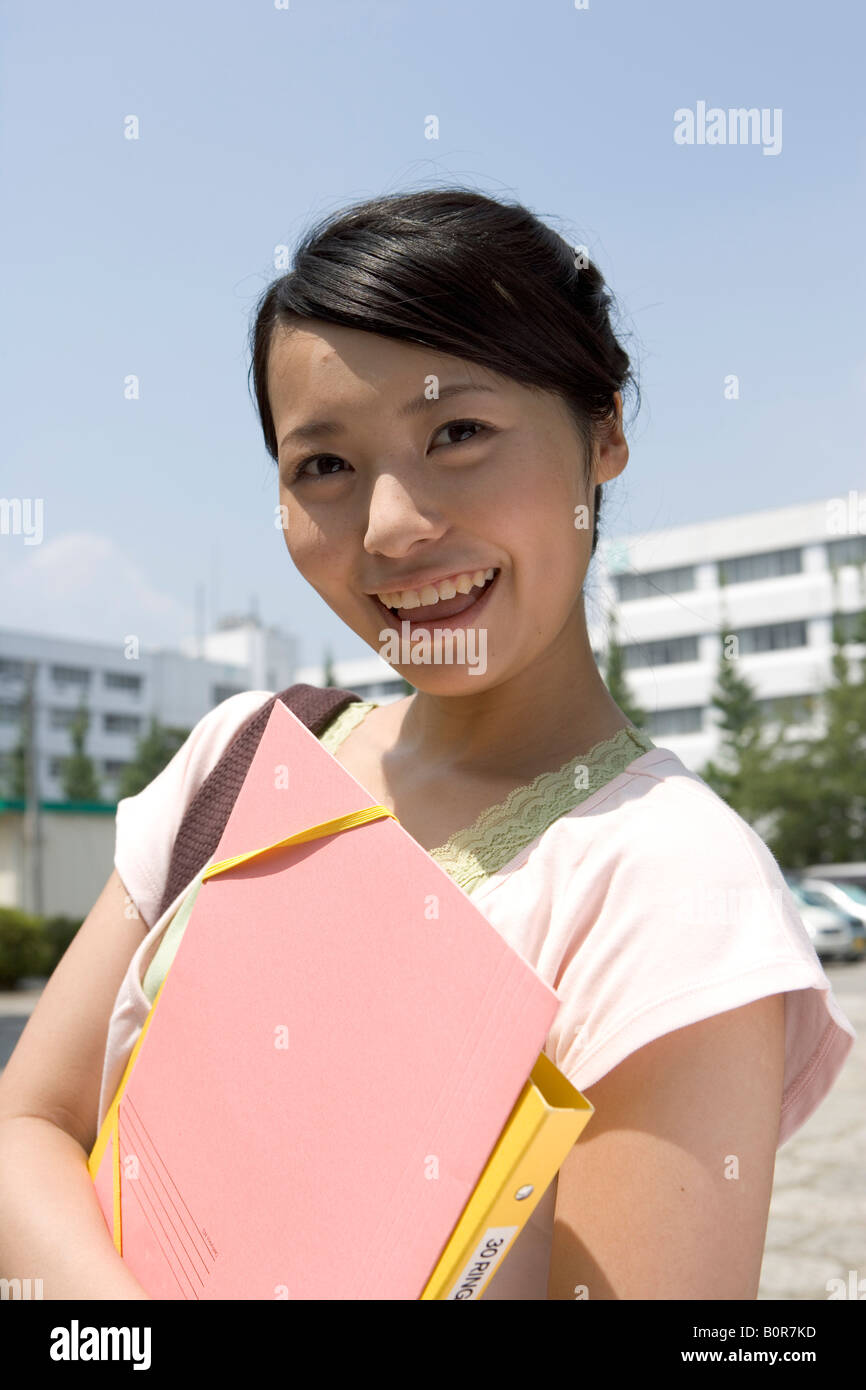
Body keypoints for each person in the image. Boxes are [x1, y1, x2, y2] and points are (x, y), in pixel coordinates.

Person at [0, 188, 855, 1301]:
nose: (392, 526)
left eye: (457, 432)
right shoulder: (247, 751)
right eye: (323, 466)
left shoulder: (670, 888)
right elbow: (30, 1118)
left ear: (601, 431)